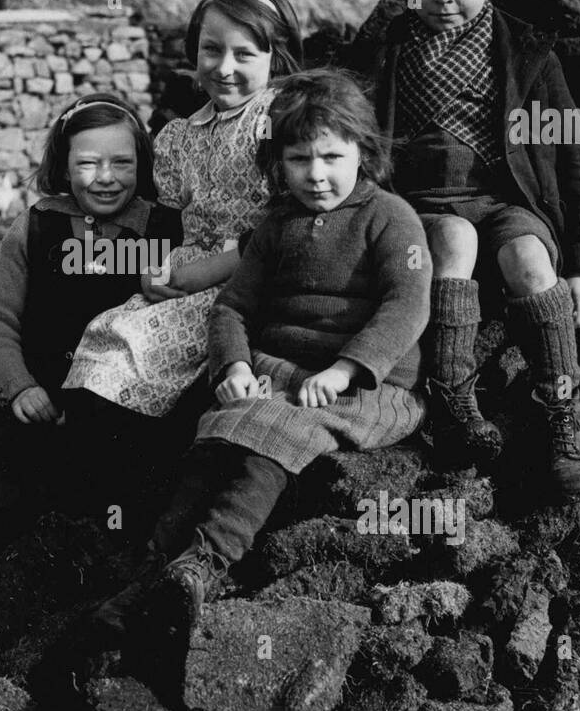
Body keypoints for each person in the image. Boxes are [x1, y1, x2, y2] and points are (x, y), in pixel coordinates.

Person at [93, 69, 431, 637]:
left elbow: (407, 304)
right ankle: (150, 573)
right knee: (215, 439)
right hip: (280, 372)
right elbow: (232, 307)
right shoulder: (277, 225)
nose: (316, 175)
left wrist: (346, 368)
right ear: (279, 162)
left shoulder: (390, 218)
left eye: (331, 157)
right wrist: (235, 365)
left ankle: (207, 564)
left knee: (267, 440)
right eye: (299, 159)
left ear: (363, 153)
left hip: (369, 387)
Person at [361, 0, 580, 499]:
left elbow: (574, 155)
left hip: (506, 199)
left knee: (527, 260)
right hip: (420, 204)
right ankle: (453, 404)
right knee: (452, 239)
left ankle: (563, 414)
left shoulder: (528, 55)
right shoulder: (386, 47)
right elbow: (343, 126)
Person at [61, 0, 304, 456]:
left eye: (244, 54)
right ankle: (92, 489)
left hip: (249, 279)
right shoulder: (180, 135)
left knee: (129, 343)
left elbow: (284, 228)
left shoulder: (282, 122)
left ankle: (122, 485)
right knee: (102, 331)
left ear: (275, 57)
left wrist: (199, 274)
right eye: (211, 50)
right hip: (188, 272)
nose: (224, 68)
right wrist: (159, 268)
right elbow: (171, 223)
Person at [0, 93, 182, 529]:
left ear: (143, 164)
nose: (105, 178)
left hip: (128, 414)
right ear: (64, 165)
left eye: (122, 163)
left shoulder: (166, 229)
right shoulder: (36, 225)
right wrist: (19, 388)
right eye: (87, 163)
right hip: (40, 406)